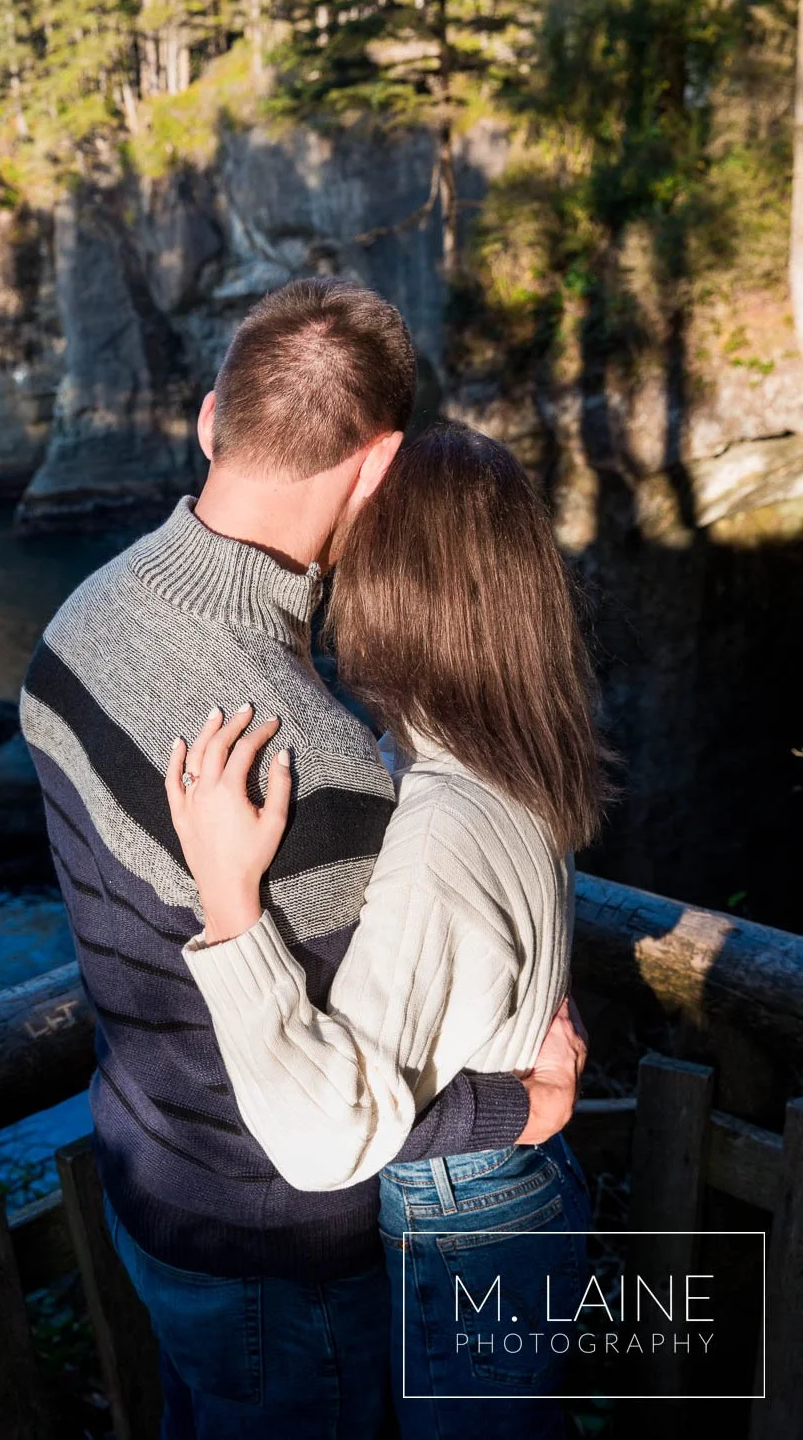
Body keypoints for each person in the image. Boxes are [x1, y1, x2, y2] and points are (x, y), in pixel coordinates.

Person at [20, 280, 586, 1440]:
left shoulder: (78, 619)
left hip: (147, 1171)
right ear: (379, 468)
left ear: (209, 416)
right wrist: (518, 1108)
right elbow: (354, 1098)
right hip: (279, 1249)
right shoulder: (309, 762)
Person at [165, 422, 609, 1438]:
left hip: (466, 1218)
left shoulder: (441, 823)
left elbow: (326, 1143)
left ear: (393, 589)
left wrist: (229, 899)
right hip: (511, 1193)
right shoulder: (507, 748)